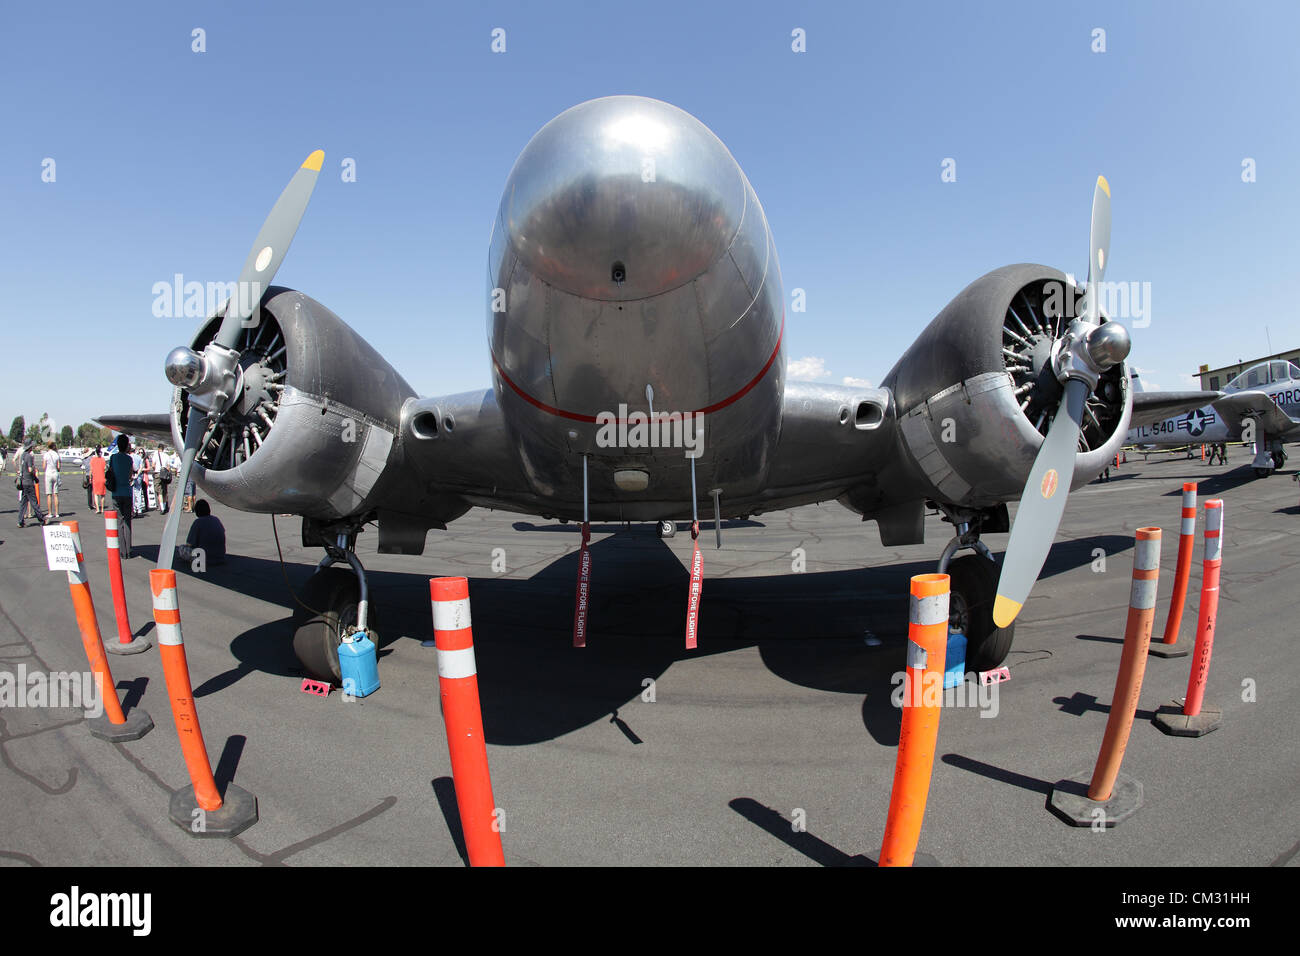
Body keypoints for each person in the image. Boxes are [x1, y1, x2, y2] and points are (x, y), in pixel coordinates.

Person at [107, 436, 136, 556]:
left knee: (119, 521)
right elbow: (130, 475)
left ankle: (122, 550)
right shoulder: (129, 459)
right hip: (127, 492)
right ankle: (129, 549)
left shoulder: (113, 458)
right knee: (128, 521)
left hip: (116, 492)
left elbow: (111, 472)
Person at [177, 499, 225, 567]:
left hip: (204, 558)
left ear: (197, 512)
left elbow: (190, 543)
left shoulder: (198, 522)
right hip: (220, 556)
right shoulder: (216, 519)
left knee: (181, 548)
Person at [17, 444, 49, 527]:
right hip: (29, 482)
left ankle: (20, 521)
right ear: (30, 447)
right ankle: (41, 519)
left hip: (23, 481)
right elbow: (30, 469)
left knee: (23, 503)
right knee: (34, 502)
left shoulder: (22, 456)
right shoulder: (29, 456)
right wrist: (35, 478)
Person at [42, 441, 61, 519]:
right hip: (55, 473)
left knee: (49, 494)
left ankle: (50, 512)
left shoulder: (46, 455)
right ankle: (57, 513)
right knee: (55, 494)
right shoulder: (56, 455)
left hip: (48, 473)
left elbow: (43, 467)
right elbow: (59, 467)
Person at [89, 446, 107, 513]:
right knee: (102, 495)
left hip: (96, 478)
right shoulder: (103, 459)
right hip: (102, 478)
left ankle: (97, 509)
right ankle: (102, 509)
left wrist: (90, 477)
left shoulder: (93, 460)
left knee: (96, 494)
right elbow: (105, 469)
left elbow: (91, 470)